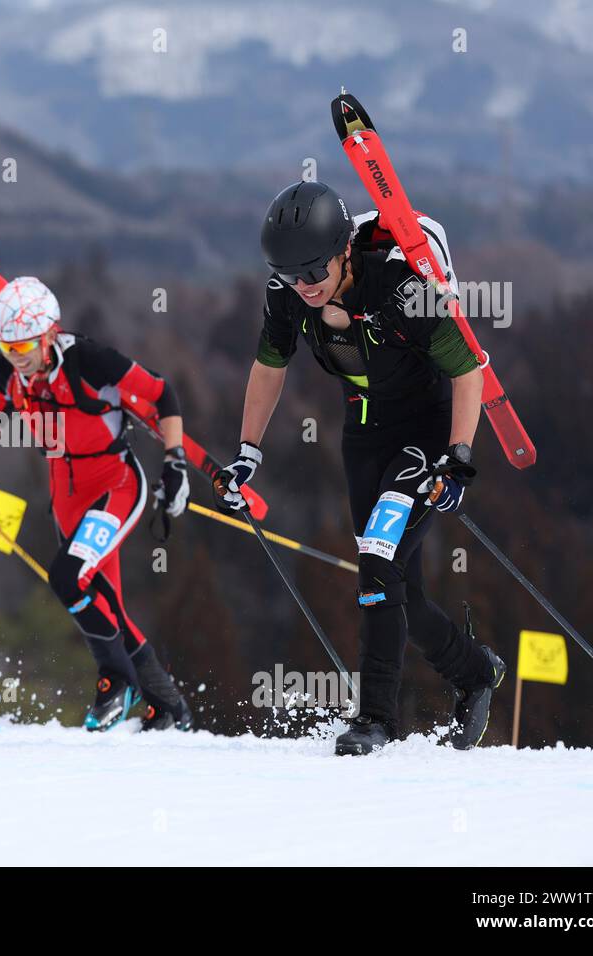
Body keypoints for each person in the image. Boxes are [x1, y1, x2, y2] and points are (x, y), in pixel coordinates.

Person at [215, 180, 505, 755]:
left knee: (376, 556)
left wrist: (460, 457)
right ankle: (475, 671)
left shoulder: (398, 291)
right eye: (291, 274)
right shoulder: (288, 295)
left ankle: (375, 719)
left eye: (314, 271)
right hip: (364, 441)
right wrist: (248, 451)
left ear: (345, 249)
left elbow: (468, 370)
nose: (305, 286)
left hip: (423, 436)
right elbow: (268, 368)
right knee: (393, 587)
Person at [0, 277, 193, 732]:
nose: (17, 356)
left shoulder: (89, 361)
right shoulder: (6, 372)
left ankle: (116, 681)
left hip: (115, 486)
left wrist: (175, 463)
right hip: (65, 494)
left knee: (68, 577)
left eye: (26, 344)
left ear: (50, 333)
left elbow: (161, 393)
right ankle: (169, 706)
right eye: (6, 345)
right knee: (103, 600)